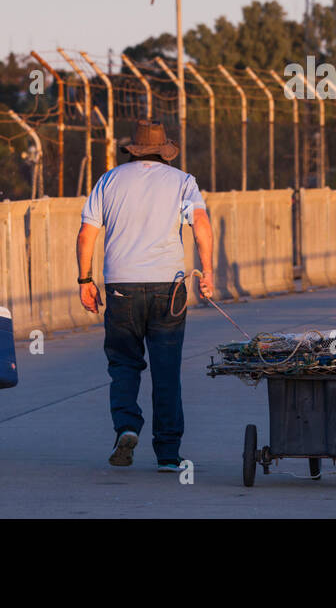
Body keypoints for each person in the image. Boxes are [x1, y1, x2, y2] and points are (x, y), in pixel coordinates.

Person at [76, 119, 215, 471]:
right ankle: (168, 455)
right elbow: (200, 226)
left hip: (121, 286)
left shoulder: (109, 180)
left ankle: (126, 427)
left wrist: (84, 280)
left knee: (123, 364)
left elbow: (86, 234)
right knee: (166, 371)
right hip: (168, 287)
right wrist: (208, 273)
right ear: (164, 151)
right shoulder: (182, 182)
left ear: (133, 150)